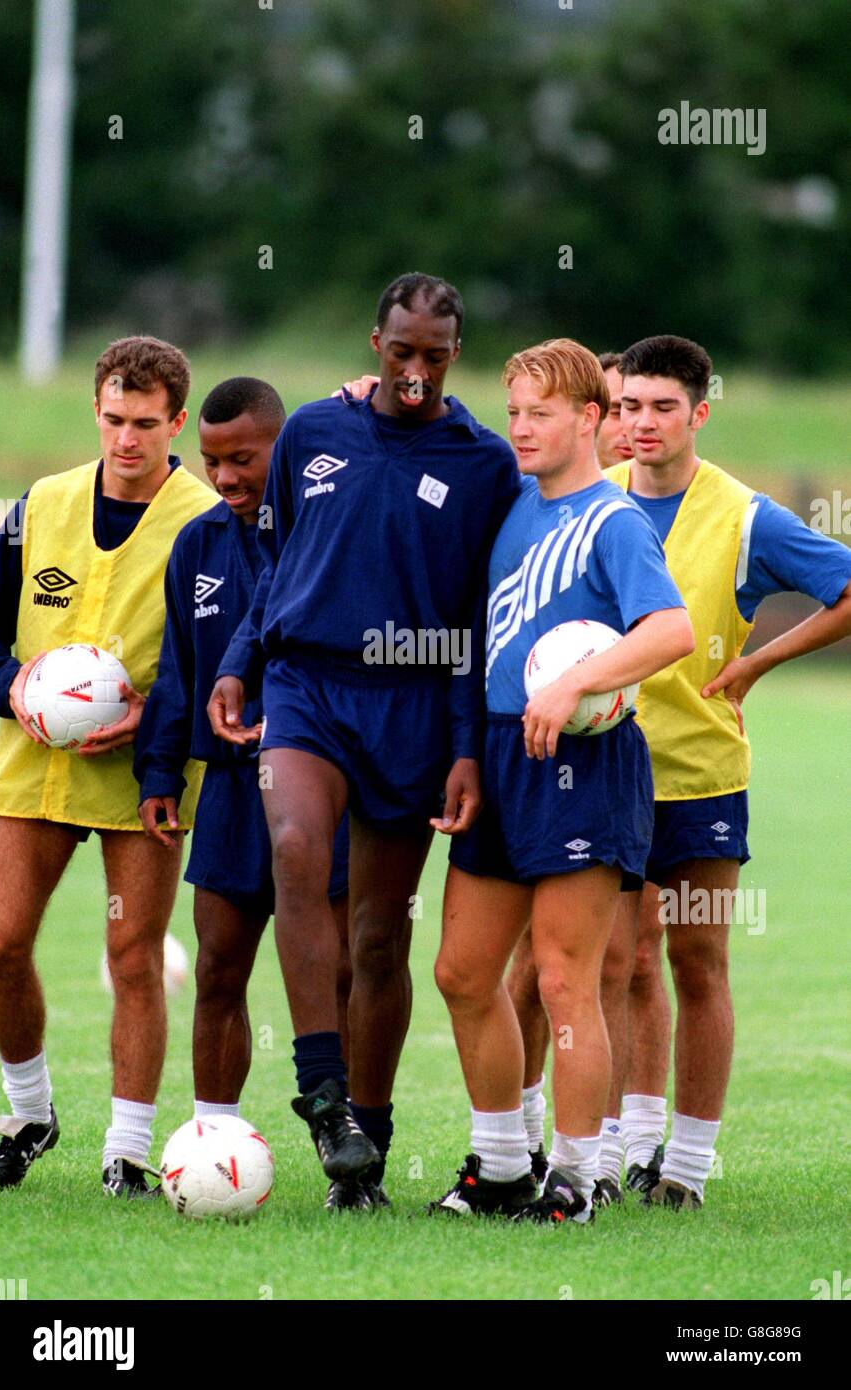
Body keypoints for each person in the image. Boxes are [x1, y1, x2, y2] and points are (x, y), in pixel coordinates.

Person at [510, 334, 851, 1210]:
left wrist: (756, 663)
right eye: (628, 406)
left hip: (698, 775)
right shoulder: (589, 502)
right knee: (613, 962)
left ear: (700, 412)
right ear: (609, 414)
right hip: (597, 772)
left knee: (697, 961)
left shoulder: (746, 517)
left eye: (664, 407)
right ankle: (606, 1146)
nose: (642, 423)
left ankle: (686, 1169)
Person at [207, 272, 521, 1210]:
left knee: (380, 941)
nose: (415, 371)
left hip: (416, 708)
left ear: (455, 356)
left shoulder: (484, 463)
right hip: (308, 685)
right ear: (373, 343)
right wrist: (238, 658)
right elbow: (281, 567)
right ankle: (324, 1092)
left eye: (434, 355)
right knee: (297, 851)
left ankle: (365, 1158)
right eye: (401, 352)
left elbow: (475, 618)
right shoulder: (311, 431)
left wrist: (465, 747)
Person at [428, 338, 693, 1223]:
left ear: (590, 419)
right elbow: (479, 648)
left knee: (562, 980)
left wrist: (580, 679)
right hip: (501, 756)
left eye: (540, 413)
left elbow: (671, 630)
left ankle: (577, 1178)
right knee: (463, 973)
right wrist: (467, 756)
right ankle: (503, 1166)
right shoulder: (513, 508)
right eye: (513, 412)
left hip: (585, 764)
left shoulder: (612, 522)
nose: (521, 429)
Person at [0, 336, 215, 1197]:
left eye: (146, 424)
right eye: (115, 420)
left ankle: (127, 1149)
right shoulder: (40, 503)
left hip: (143, 774)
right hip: (35, 764)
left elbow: (227, 651)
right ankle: (29, 1114)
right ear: (96, 411)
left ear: (176, 422)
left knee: (135, 954)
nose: (127, 440)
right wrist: (21, 690)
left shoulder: (204, 520)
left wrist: (162, 718)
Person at [134, 377, 350, 1141]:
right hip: (228, 790)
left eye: (243, 460)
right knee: (220, 967)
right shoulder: (197, 542)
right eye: (212, 461)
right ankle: (213, 1140)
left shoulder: (323, 534)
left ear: (282, 450)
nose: (225, 478)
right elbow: (177, 669)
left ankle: (349, 1145)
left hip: (322, 780)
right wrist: (161, 773)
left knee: (340, 971)